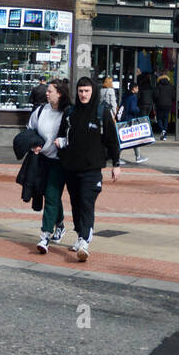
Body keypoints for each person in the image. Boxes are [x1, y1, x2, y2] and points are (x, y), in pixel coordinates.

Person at [56, 74, 120, 261]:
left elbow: (112, 141)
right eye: (81, 91)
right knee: (75, 204)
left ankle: (85, 240)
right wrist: (60, 143)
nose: (83, 94)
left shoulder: (102, 113)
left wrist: (116, 164)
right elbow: (62, 135)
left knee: (86, 203)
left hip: (92, 169)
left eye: (87, 91)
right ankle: (79, 234)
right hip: (71, 167)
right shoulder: (70, 113)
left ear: (93, 92)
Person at [29, 78, 70, 252]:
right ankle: (59, 223)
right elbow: (30, 130)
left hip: (60, 162)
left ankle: (45, 234)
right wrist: (34, 144)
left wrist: (64, 141)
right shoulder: (40, 111)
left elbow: (76, 136)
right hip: (42, 159)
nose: (46, 93)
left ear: (59, 93)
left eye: (50, 91)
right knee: (48, 194)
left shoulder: (68, 113)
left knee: (51, 195)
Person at [118, 81, 147, 164]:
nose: (138, 89)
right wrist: (139, 109)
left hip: (124, 119)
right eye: (137, 88)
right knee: (126, 139)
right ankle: (117, 158)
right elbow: (132, 109)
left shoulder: (125, 95)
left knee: (132, 138)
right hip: (130, 120)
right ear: (133, 89)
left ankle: (138, 156)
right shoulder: (133, 97)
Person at [154, 71, 175, 140]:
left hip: (159, 105)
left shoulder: (158, 86)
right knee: (165, 119)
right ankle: (164, 134)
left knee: (159, 118)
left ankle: (162, 130)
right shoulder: (171, 86)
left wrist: (155, 101)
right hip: (168, 105)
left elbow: (155, 96)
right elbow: (173, 96)